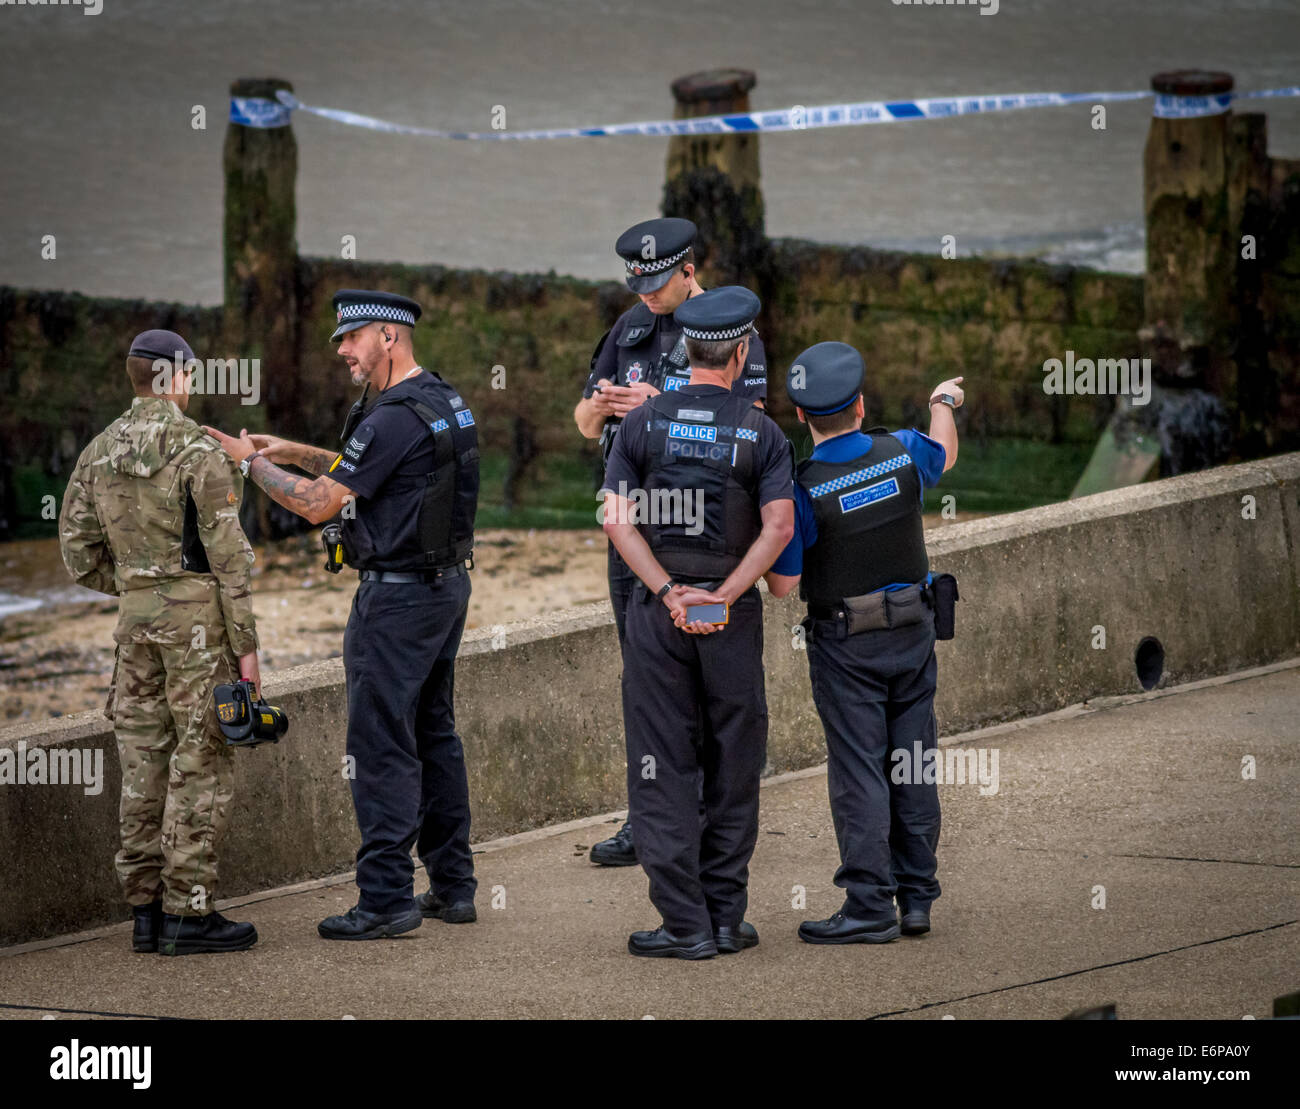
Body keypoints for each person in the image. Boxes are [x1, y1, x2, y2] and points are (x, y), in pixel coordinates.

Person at [203, 289, 480, 941]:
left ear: (389, 336)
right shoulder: (443, 400)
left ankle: (386, 900)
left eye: (352, 340)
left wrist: (254, 464)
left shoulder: (387, 418)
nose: (343, 354)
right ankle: (455, 885)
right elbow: (373, 470)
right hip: (445, 590)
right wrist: (292, 449)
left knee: (380, 745)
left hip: (395, 602)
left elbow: (321, 505)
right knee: (434, 734)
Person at [602, 286, 793, 958]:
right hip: (729, 621)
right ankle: (724, 917)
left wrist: (666, 590)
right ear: (741, 355)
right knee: (734, 760)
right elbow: (779, 527)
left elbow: (616, 518)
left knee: (662, 764)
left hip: (659, 618)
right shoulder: (762, 433)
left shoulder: (642, 425)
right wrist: (727, 593)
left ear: (685, 352)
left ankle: (683, 923)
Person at [58, 328, 261, 956]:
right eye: (191, 377)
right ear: (175, 378)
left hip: (135, 625)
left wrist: (135, 587)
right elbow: (230, 560)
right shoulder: (200, 450)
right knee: (200, 760)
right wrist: (247, 650)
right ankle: (188, 913)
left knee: (143, 762)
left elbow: (76, 551)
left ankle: (144, 912)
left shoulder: (97, 451)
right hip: (199, 628)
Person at [574, 216, 768, 867]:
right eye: (639, 283)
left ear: (689, 269)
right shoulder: (628, 329)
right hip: (635, 532)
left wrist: (660, 403)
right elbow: (579, 420)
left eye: (658, 283)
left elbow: (754, 425)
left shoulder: (730, 335)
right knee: (644, 677)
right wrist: (603, 407)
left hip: (705, 532)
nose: (648, 294)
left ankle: (713, 812)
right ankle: (649, 813)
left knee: (719, 681)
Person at [764, 341, 963, 943]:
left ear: (800, 417)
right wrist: (942, 402)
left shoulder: (805, 489)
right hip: (915, 630)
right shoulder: (901, 450)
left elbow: (784, 585)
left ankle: (869, 906)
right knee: (913, 760)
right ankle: (918, 897)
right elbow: (944, 455)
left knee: (860, 771)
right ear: (859, 403)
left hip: (847, 644)